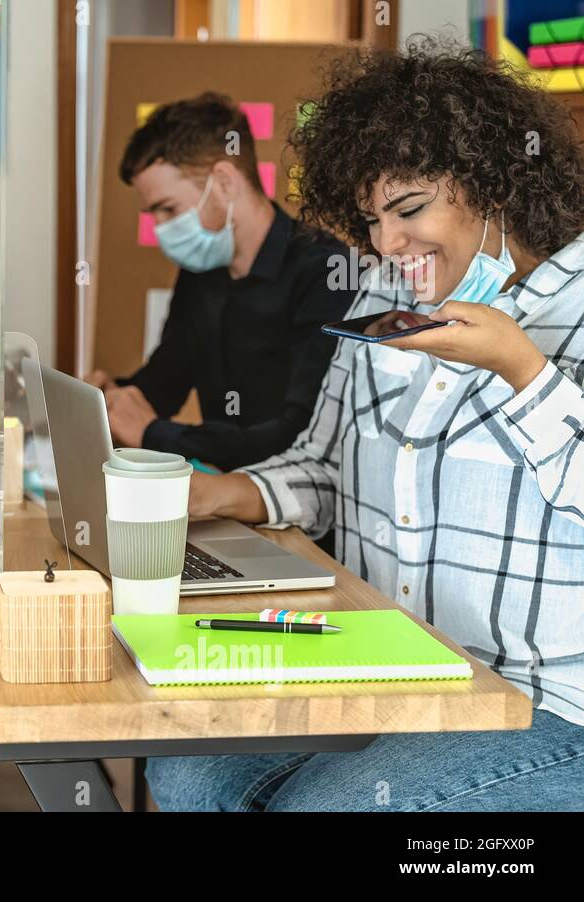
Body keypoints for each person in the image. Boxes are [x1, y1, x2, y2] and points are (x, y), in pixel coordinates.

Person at [150, 40, 584, 811]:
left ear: (493, 182)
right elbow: (325, 464)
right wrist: (227, 495)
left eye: (409, 209)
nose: (387, 244)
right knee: (185, 772)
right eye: (371, 218)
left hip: (545, 702)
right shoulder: (381, 297)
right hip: (400, 663)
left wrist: (523, 370)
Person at [85, 93, 355, 472]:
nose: (160, 230)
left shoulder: (327, 274)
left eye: (168, 209)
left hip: (298, 512)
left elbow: (298, 435)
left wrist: (152, 435)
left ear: (224, 181)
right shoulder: (202, 270)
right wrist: (107, 400)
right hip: (221, 498)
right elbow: (166, 381)